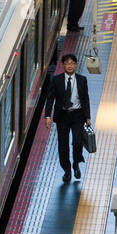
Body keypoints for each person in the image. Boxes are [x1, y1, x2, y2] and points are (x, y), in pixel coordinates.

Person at [44, 54, 92, 184]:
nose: (70, 66)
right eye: (67, 63)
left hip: (78, 116)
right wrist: (47, 116)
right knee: (63, 145)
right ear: (63, 65)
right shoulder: (56, 80)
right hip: (62, 116)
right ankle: (67, 170)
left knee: (77, 142)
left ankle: (76, 164)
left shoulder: (82, 80)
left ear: (76, 65)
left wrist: (88, 117)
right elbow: (50, 99)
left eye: (72, 63)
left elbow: (85, 99)